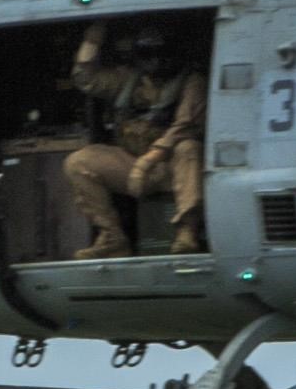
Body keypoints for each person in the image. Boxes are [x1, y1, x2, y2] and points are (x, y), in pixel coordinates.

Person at [58, 33, 204, 256]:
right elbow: (86, 78)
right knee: (79, 162)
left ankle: (187, 231)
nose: (156, 62)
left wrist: (147, 162)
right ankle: (112, 237)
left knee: (188, 148)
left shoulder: (191, 81)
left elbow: (185, 125)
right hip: (133, 161)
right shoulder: (128, 80)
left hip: (171, 168)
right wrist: (94, 33)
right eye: (148, 55)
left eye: (161, 55)